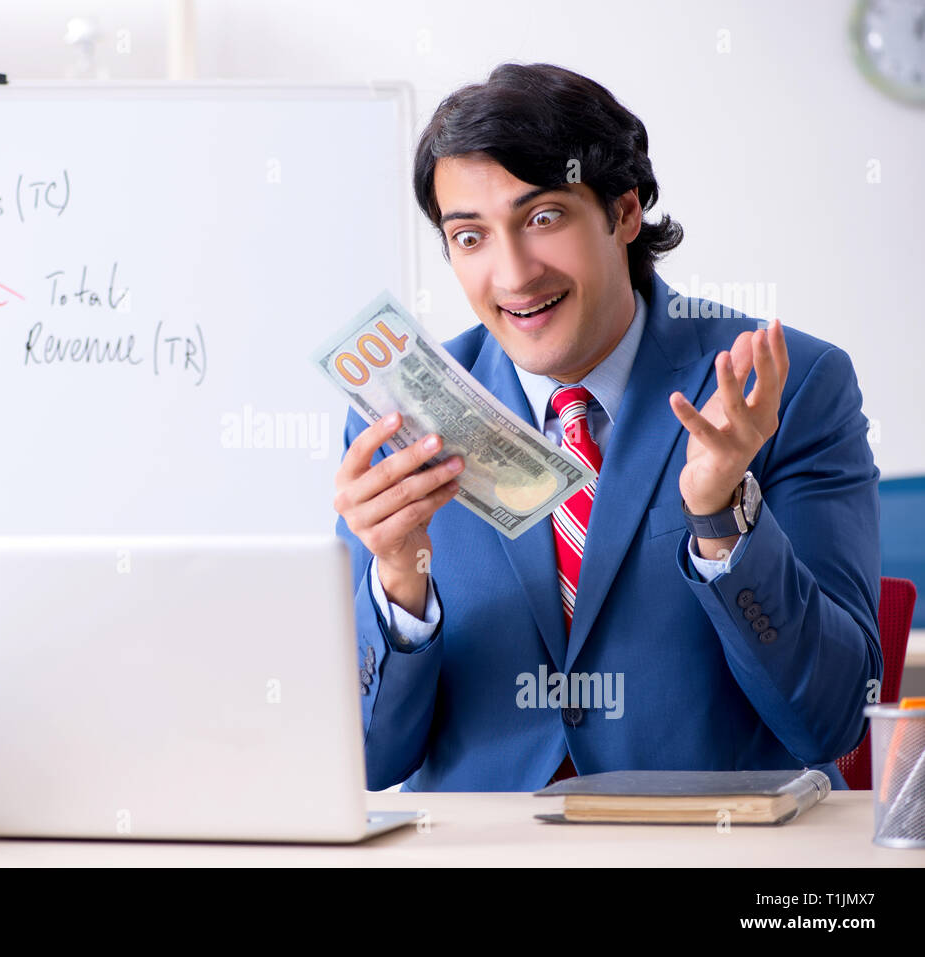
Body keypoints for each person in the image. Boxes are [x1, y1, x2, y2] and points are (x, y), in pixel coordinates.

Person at [333, 63, 882, 791]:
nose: (514, 274)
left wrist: (724, 520)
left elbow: (833, 719)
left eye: (543, 218)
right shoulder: (401, 418)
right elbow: (367, 760)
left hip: (711, 847)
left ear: (624, 213)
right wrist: (400, 578)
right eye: (471, 238)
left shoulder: (779, 385)